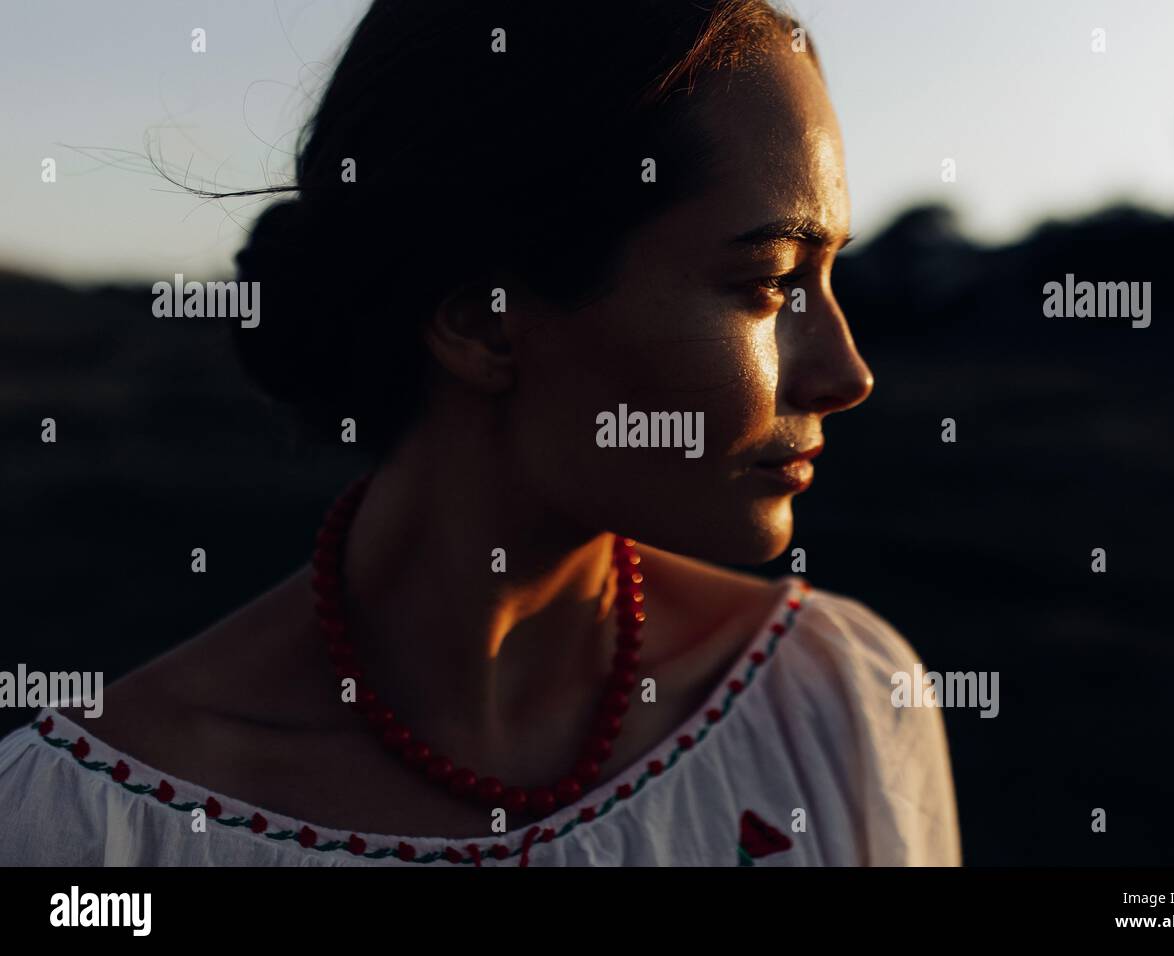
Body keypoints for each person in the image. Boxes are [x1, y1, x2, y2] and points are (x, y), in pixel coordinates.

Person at [0, 0, 960, 866]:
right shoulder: (91, 830)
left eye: (827, 275)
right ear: (484, 321)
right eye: (768, 283)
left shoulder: (834, 705)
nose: (847, 373)